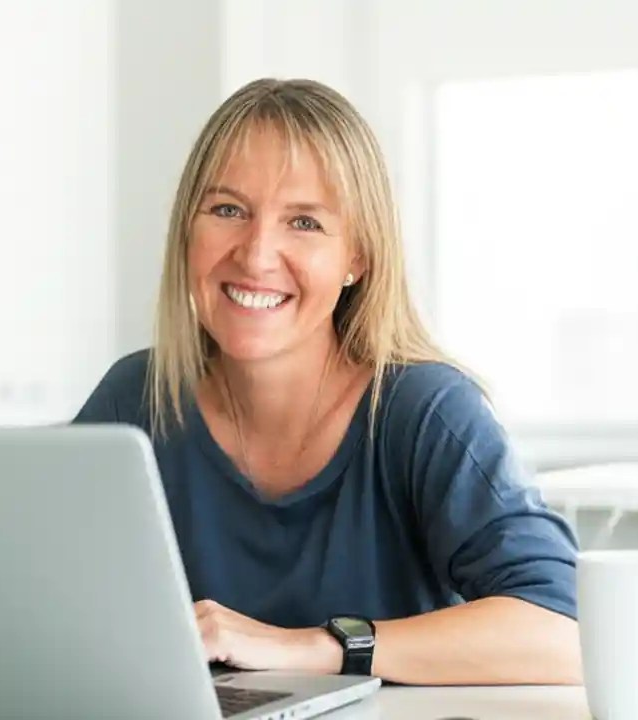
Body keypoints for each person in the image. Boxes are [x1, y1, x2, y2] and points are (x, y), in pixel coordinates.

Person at [74, 78, 581, 686]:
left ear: (357, 257)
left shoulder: (424, 411)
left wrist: (310, 647)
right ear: (187, 230)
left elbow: (563, 632)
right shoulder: (136, 398)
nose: (257, 254)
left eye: (305, 223)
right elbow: (35, 593)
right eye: (228, 210)